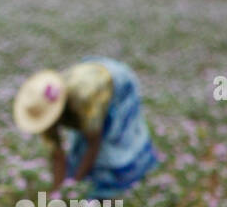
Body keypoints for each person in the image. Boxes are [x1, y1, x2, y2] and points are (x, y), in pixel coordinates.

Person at [13, 58, 160, 198]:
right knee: (77, 154)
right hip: (86, 89)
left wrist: (75, 185)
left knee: (114, 150)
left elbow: (93, 143)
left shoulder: (82, 98)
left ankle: (123, 189)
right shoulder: (43, 113)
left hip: (114, 83)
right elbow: (57, 155)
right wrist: (57, 193)